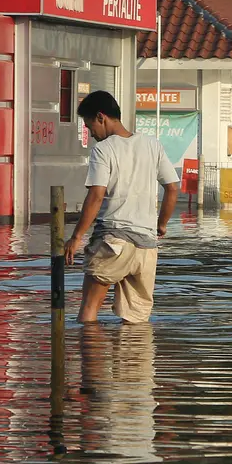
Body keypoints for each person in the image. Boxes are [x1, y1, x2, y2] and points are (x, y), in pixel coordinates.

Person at [64, 91, 179, 324]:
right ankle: (134, 360)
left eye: (89, 126)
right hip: (146, 247)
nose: (91, 133)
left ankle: (90, 359)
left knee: (89, 312)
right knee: (135, 323)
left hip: (113, 241)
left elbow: (96, 195)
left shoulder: (104, 149)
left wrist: (76, 237)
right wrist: (161, 224)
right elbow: (173, 188)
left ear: (101, 117)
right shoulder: (152, 145)